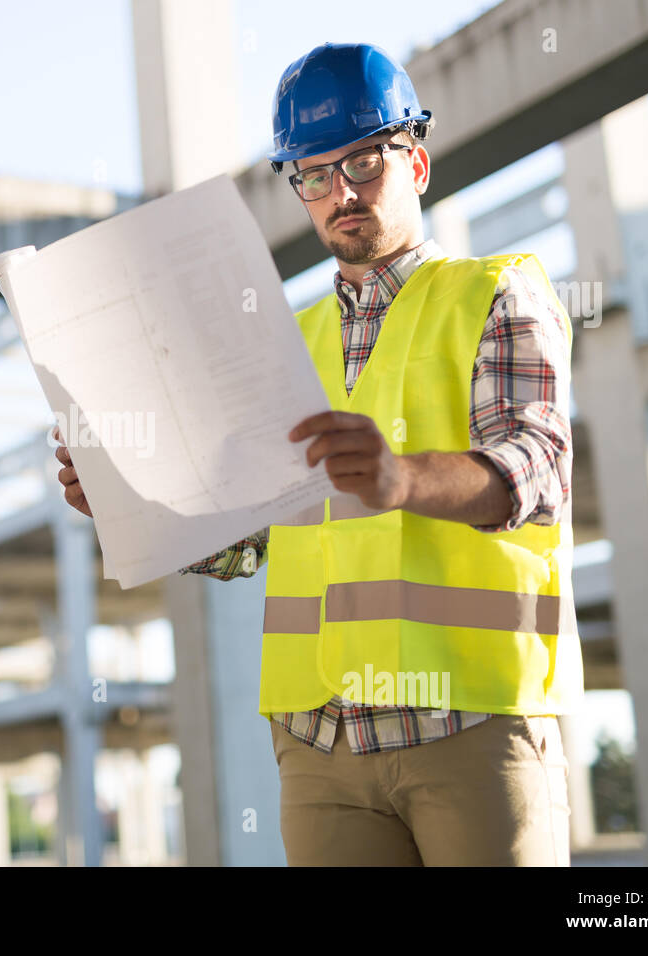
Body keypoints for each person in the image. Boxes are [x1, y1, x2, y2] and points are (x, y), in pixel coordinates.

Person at [54, 41, 581, 866]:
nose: (342, 192)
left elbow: (537, 470)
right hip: (319, 742)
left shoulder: (495, 290)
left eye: (365, 161)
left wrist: (400, 478)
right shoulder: (284, 344)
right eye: (314, 174)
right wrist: (128, 500)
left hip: (471, 725)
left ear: (418, 163)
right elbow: (248, 539)